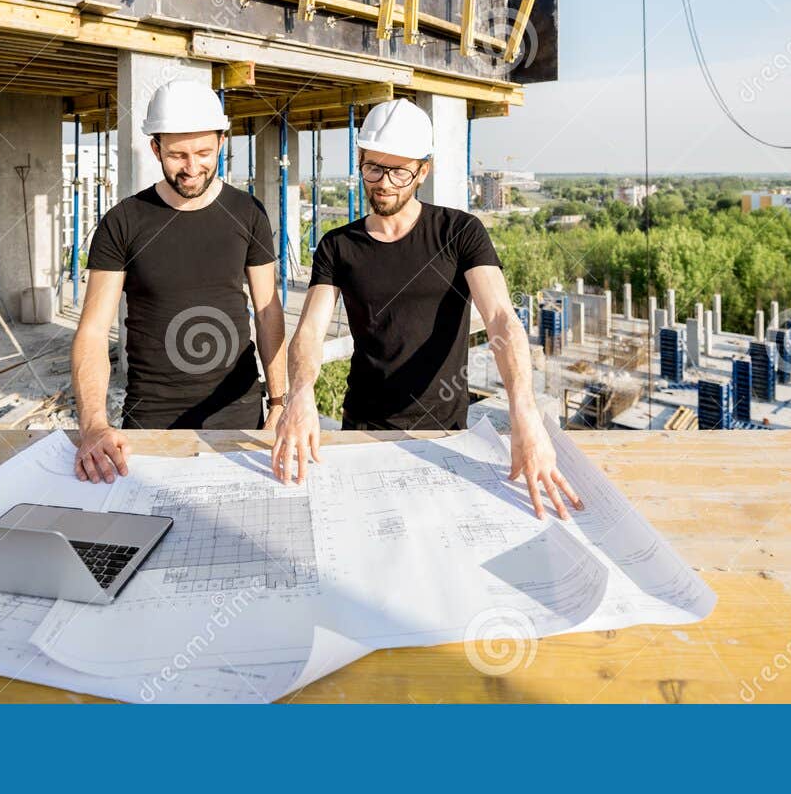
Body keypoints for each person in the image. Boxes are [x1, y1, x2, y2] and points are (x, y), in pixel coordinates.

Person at [272, 98, 583, 520]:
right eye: (374, 168)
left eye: (400, 171)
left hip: (445, 433)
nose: (384, 183)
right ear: (360, 161)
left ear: (423, 170)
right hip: (363, 430)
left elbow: (501, 320)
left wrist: (523, 411)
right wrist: (301, 394)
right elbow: (309, 332)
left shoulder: (460, 233)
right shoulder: (338, 246)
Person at [71, 80, 286, 482]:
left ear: (223, 142)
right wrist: (95, 424)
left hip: (238, 410)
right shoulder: (123, 222)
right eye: (177, 155)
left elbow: (267, 310)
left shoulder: (248, 213)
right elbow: (93, 331)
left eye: (204, 152)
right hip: (151, 415)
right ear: (156, 149)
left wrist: (278, 401)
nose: (191, 167)